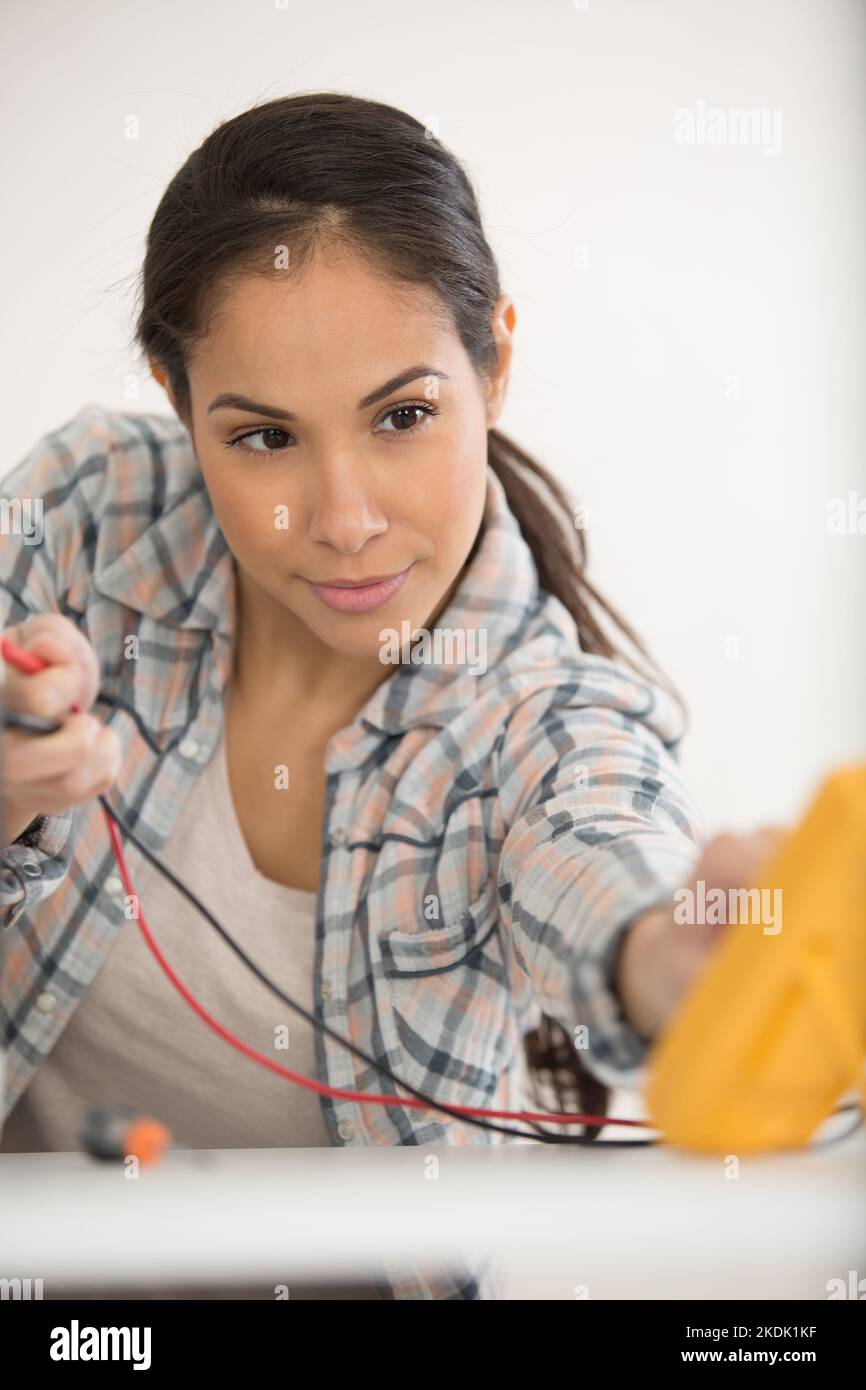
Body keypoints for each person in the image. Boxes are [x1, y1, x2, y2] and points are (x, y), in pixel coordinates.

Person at [0, 92, 782, 1300]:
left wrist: (669, 956)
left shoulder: (544, 720)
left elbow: (602, 852)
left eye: (402, 416)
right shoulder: (88, 506)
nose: (344, 519)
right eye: (264, 437)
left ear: (495, 363)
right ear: (174, 393)